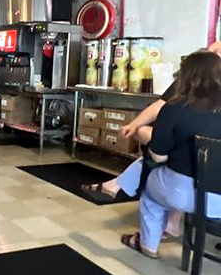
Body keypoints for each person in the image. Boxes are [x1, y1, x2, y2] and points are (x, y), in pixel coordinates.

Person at [83, 40, 221, 204]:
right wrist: (134, 125)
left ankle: (118, 186)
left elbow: (159, 154)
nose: (213, 56)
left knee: (160, 159)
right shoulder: (186, 95)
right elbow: (159, 106)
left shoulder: (178, 104)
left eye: (216, 53)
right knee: (167, 147)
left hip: (195, 171)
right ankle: (117, 186)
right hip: (207, 175)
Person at [120, 50, 221, 258]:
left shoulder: (174, 108)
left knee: (150, 186)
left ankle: (148, 245)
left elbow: (158, 156)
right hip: (218, 202)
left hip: (183, 194)